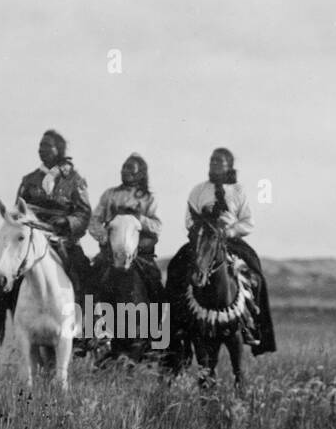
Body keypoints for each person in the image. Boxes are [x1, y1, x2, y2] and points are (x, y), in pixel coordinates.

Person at [0, 129, 91, 346]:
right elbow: (17, 213)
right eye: (40, 146)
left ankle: (84, 329)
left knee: (82, 272)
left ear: (60, 150)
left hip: (61, 239)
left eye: (47, 146)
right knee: (6, 273)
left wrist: (67, 222)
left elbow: (84, 213)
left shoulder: (74, 180)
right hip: (32, 238)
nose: (42, 150)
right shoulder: (29, 180)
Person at [173, 147, 277, 355]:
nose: (214, 164)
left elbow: (248, 222)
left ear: (229, 166)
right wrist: (200, 229)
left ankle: (251, 324)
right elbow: (188, 218)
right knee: (176, 269)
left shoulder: (238, 191)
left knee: (255, 274)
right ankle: (178, 329)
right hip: (203, 240)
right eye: (212, 161)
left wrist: (230, 230)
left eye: (219, 162)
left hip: (230, 241)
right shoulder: (198, 190)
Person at [89, 153, 164, 299]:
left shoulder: (148, 199)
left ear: (140, 173)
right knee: (91, 279)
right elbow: (94, 220)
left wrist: (139, 219)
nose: (124, 171)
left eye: (130, 168)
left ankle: (158, 319)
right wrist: (103, 236)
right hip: (110, 253)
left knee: (155, 283)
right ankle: (88, 318)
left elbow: (157, 226)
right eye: (123, 167)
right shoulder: (110, 194)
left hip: (140, 254)